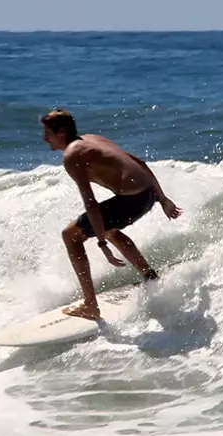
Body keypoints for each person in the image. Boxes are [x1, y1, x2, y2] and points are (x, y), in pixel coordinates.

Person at [41, 108, 182, 320]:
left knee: (70, 235)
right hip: (147, 194)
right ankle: (149, 275)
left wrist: (101, 244)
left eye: (47, 133)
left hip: (132, 201)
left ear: (60, 133)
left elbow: (90, 202)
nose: (44, 138)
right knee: (109, 228)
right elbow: (140, 164)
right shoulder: (93, 139)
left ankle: (91, 306)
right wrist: (161, 198)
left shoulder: (72, 155)